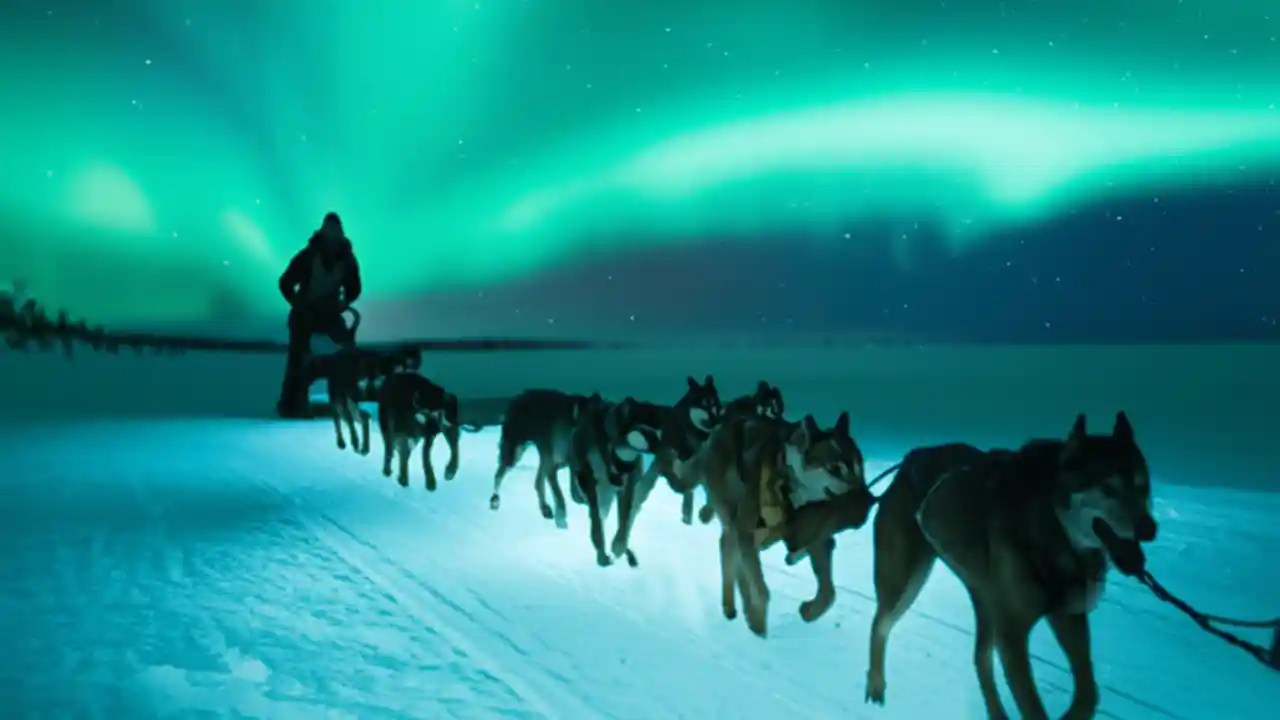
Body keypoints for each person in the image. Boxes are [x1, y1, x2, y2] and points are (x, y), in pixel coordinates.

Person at [275, 212, 363, 418]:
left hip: (331, 313)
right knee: (298, 355)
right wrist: (298, 303)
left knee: (347, 353)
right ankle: (291, 404)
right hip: (307, 313)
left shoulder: (347, 260)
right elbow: (285, 282)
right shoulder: (308, 256)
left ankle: (346, 400)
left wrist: (345, 302)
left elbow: (355, 288)